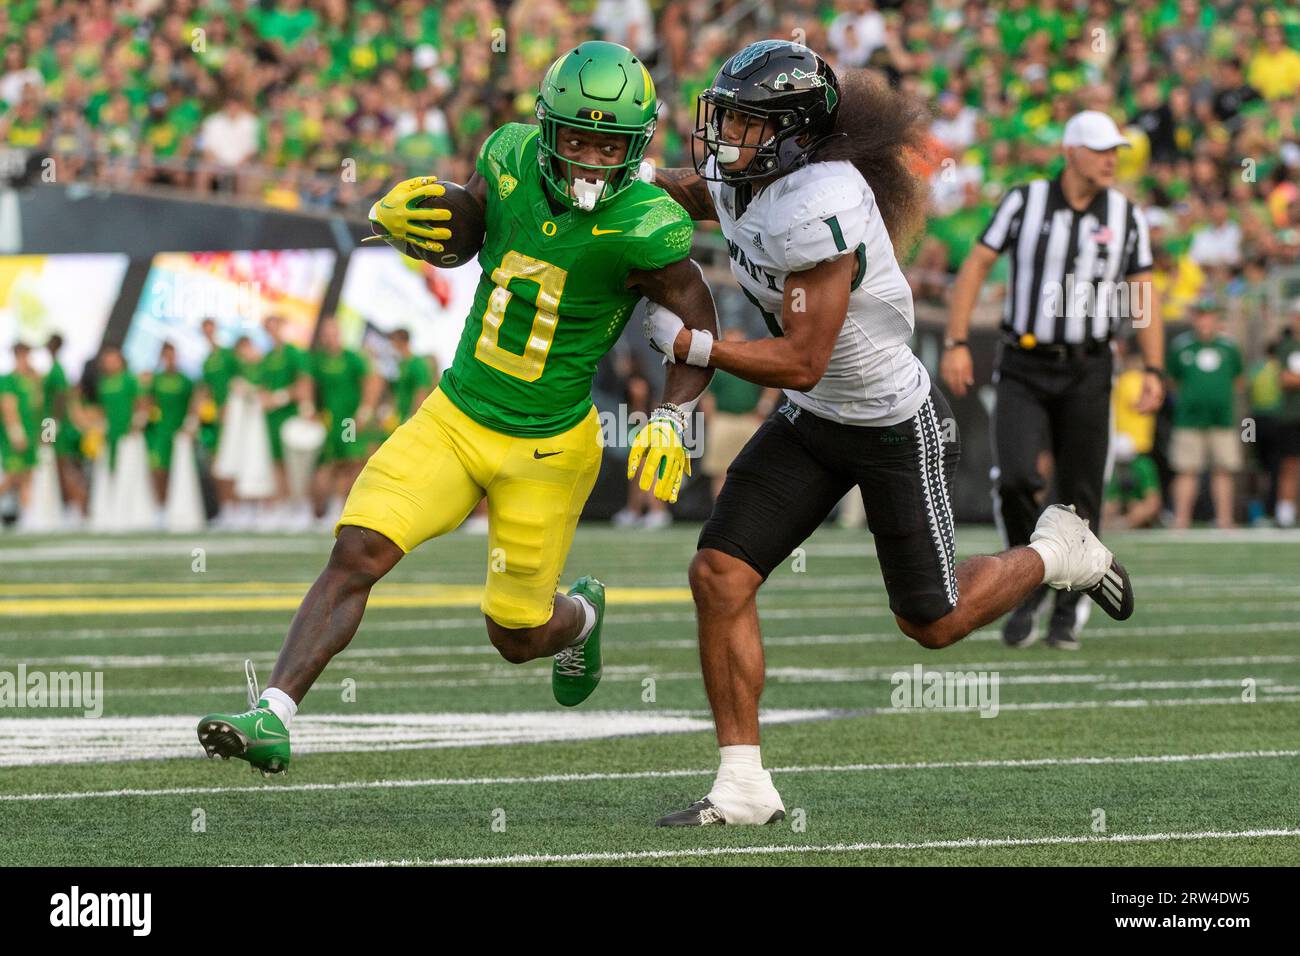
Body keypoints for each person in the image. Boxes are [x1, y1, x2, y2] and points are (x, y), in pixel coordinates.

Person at [646, 41, 1137, 827]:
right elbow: (687, 193)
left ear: (793, 134)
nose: (724, 138)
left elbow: (801, 361)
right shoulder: (751, 175)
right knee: (719, 574)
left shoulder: (819, 202)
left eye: (744, 123)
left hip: (883, 420)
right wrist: (609, 182)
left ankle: (1058, 550)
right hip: (815, 421)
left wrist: (691, 346)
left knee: (932, 622)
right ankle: (743, 786)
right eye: (726, 119)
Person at [197, 41, 718, 775]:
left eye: (608, 145)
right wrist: (432, 223)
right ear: (545, 128)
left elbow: (699, 331)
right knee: (358, 550)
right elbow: (472, 220)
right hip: (456, 414)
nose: (589, 158)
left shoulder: (648, 224)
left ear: (632, 147)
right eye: (573, 137)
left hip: (547, 446)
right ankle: (273, 714)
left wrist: (670, 415)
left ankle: (583, 618)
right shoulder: (508, 156)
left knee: (514, 634)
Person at [942, 109, 1165, 650]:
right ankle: (1028, 578)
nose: (1113, 158)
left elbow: (1143, 292)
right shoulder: (1026, 201)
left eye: (1117, 149)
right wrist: (955, 341)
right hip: (1023, 361)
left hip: (1090, 365)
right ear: (1071, 152)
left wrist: (1154, 366)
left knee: (1081, 487)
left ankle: (1069, 606)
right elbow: (975, 265)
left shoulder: (1126, 214)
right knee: (1016, 476)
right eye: (1101, 149)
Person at [1166, 302, 1244, 529]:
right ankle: (1181, 520)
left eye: (1209, 316)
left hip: (1222, 418)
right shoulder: (1181, 346)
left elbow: (1238, 380)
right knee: (1185, 469)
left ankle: (1224, 519)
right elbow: (1173, 380)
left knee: (1224, 469)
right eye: (1201, 316)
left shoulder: (1230, 347)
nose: (1205, 321)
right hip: (1188, 419)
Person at [310, 317, 378, 521]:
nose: (329, 338)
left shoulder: (352, 358)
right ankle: (329, 508)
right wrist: (311, 409)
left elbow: (371, 382)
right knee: (331, 462)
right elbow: (311, 385)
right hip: (330, 420)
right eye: (326, 334)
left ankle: (343, 508)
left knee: (350, 462)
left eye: (333, 333)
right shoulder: (319, 361)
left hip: (349, 421)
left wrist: (365, 410)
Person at [145, 342, 194, 504]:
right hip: (160, 432)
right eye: (166, 355)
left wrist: (190, 424)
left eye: (172, 354)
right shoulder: (156, 380)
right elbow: (148, 402)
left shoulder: (185, 380)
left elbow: (194, 403)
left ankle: (180, 505)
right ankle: (161, 504)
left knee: (180, 470)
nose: (169, 359)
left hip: (180, 431)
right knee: (158, 470)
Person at [1275, 303, 1300, 528]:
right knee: (1290, 465)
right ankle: (1285, 512)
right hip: (1291, 415)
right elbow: (1284, 379)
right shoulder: (1287, 346)